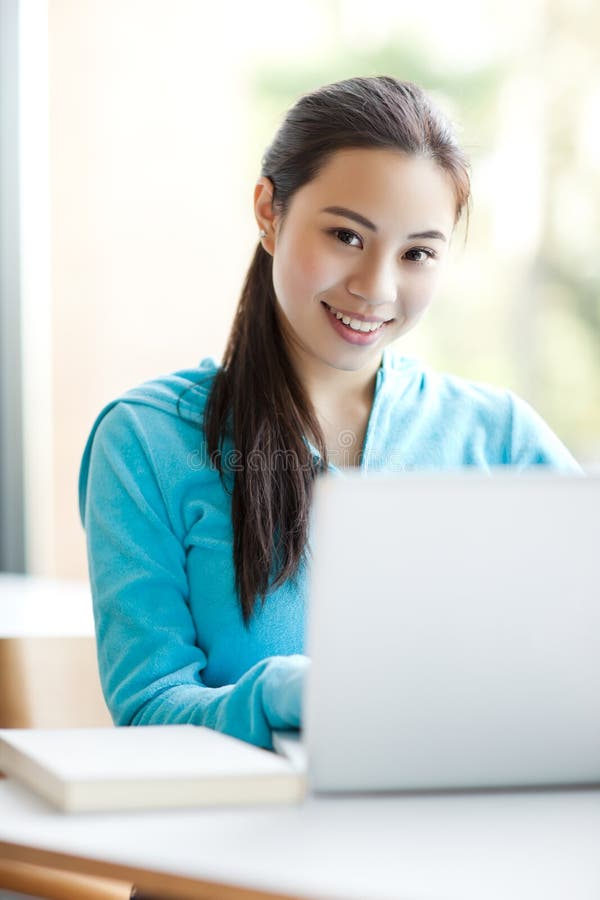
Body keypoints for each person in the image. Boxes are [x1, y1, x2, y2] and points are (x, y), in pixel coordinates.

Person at [78, 76, 580, 751]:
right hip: (248, 842)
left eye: (418, 253)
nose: (376, 288)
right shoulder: (145, 441)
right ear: (268, 210)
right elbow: (148, 707)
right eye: (347, 235)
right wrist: (285, 695)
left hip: (480, 826)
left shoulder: (501, 437)